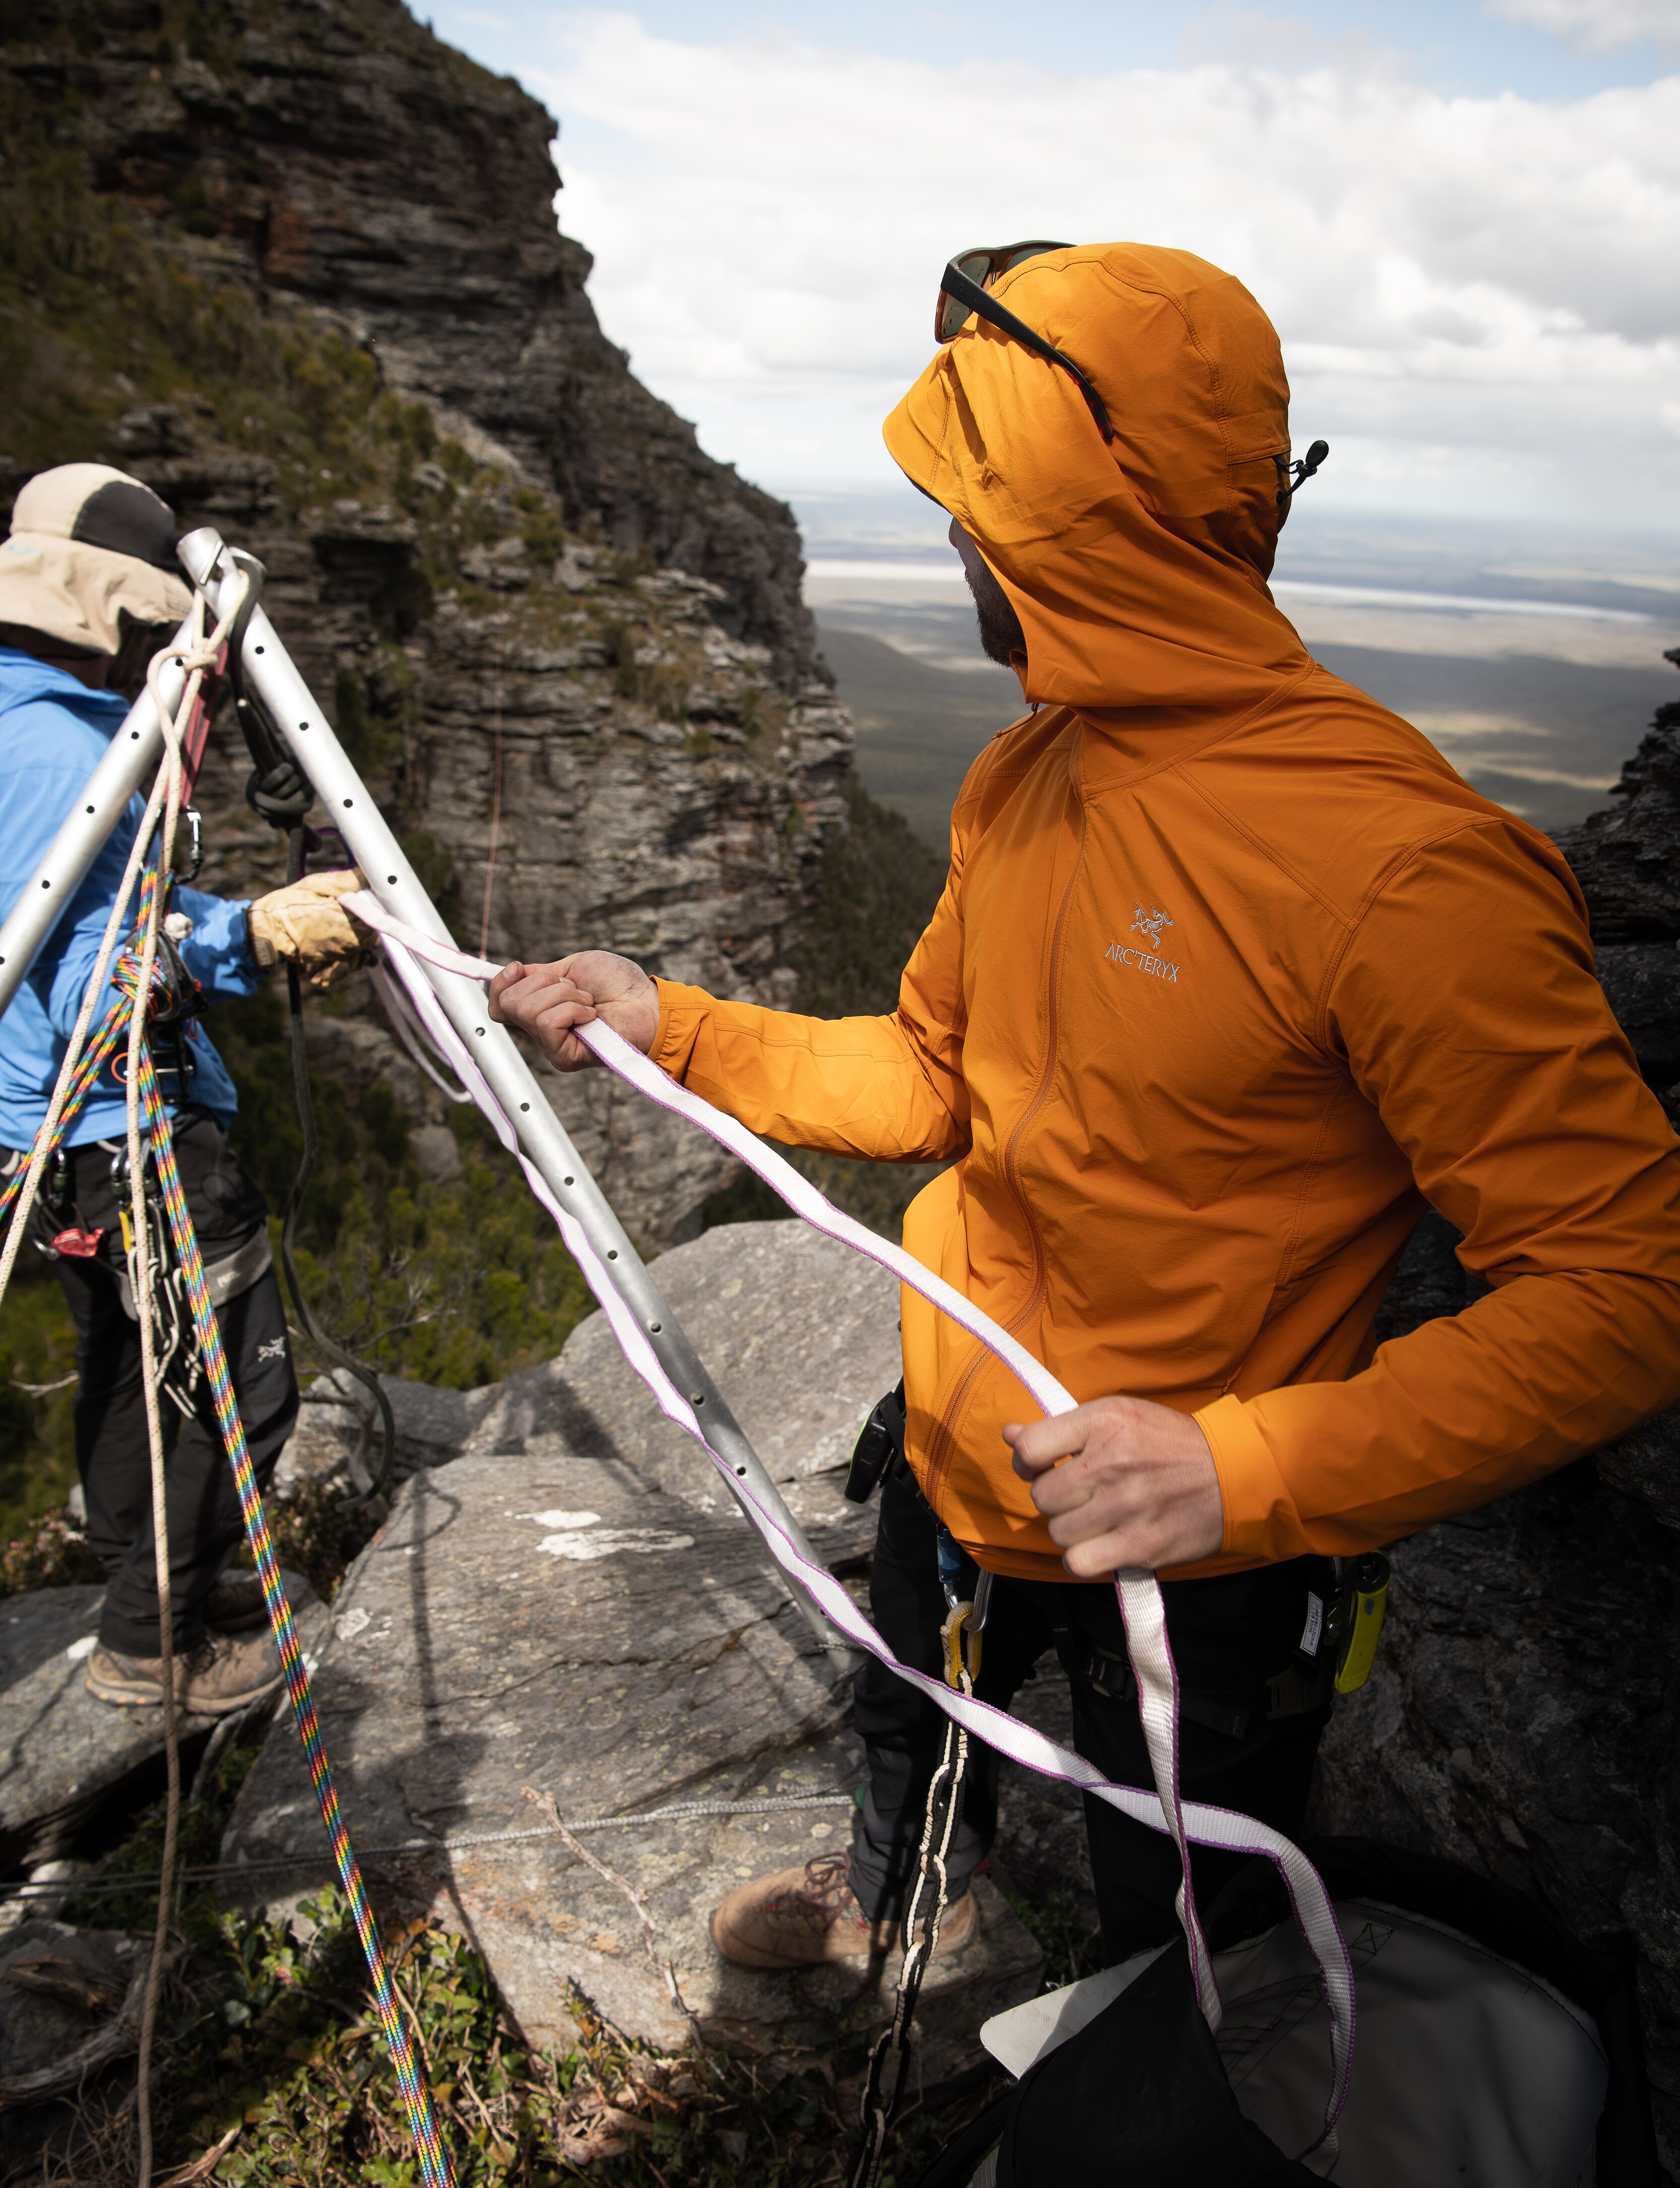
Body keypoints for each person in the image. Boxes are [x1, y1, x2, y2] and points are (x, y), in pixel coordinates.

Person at [486, 241, 1680, 1968]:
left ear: (1068, 526)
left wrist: (1242, 1470)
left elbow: (1626, 1290)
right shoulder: (1030, 775)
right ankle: (893, 1898)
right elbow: (928, 1075)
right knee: (908, 1716)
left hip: (1205, 1554)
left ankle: (1162, 2102)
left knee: (1182, 1902)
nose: (951, 535)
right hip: (960, 1447)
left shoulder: (1400, 868)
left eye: (972, 494)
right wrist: (665, 1023)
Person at [0, 464, 367, 1713]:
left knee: (126, 1362)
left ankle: (163, 1599)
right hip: (127, 1127)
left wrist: (221, 926)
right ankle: (159, 1646)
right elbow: (106, 985)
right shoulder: (59, 749)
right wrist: (251, 938)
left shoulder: (20, 719)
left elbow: (83, 922)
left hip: (50, 1138)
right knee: (222, 1382)